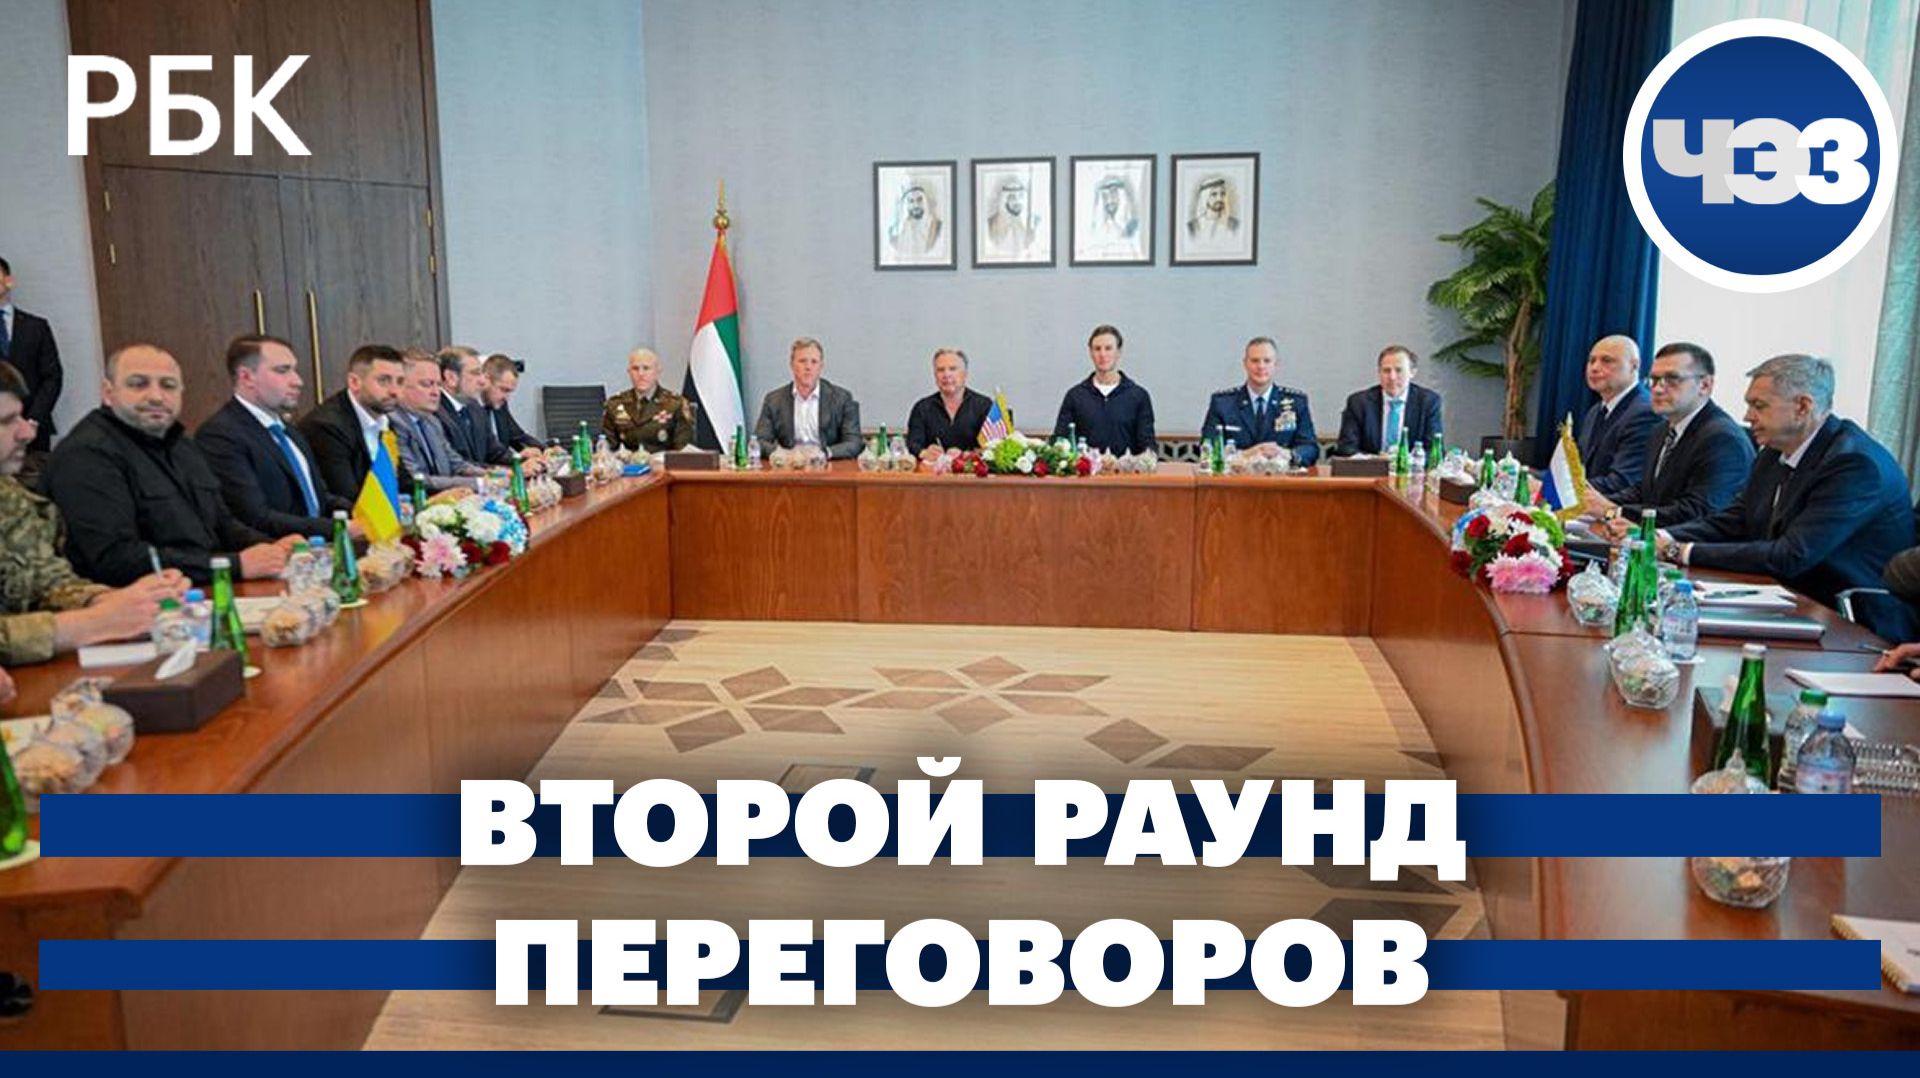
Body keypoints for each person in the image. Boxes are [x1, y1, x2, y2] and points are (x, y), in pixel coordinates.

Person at [1660, 354, 1917, 642]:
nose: (1747, 416)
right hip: (1789, 599)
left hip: (1855, 622)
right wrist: (1662, 537)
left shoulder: (1853, 464)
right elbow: (1737, 520)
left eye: (1759, 406)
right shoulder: (1773, 452)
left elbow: (1792, 555)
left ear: (1803, 407)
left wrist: (1680, 551)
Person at [41, 343, 295, 587]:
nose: (156, 396)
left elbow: (222, 524)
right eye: (138, 384)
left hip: (202, 590)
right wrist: (233, 565)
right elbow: (114, 559)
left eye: (168, 385)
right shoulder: (87, 455)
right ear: (108, 393)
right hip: (134, 604)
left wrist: (271, 548)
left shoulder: (181, 445)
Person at [0, 360, 185, 665]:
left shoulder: (9, 494)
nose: (26, 432)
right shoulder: (87, 453)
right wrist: (90, 624)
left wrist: (114, 601)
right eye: (7, 421)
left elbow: (49, 582)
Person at [1582, 342, 1753, 536]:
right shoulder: (1661, 430)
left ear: (1705, 385)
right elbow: (1644, 491)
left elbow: (1697, 512)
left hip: (1694, 548)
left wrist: (1613, 511)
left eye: (1672, 379)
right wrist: (1595, 503)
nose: (1657, 389)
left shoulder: (1722, 439)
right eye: (1654, 380)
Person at [196, 334, 354, 540]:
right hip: (274, 551)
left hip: (319, 550)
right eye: (282, 370)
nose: (298, 381)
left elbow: (317, 497)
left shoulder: (288, 431)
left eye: (294, 370)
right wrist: (339, 528)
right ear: (246, 377)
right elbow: (254, 517)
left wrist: (363, 513)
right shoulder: (221, 435)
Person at [300, 344, 409, 502]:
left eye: (400, 381)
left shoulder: (383, 419)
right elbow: (347, 495)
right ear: (354, 382)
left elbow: (403, 482)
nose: (394, 391)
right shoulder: (327, 427)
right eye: (384, 381)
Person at [1200, 337, 1318, 465]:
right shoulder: (1223, 404)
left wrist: (1285, 454)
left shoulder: (1295, 403)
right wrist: (1248, 454)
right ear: (1245, 364)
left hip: (1282, 475)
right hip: (1238, 475)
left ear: (1276, 364)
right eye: (1255, 361)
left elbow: (1310, 448)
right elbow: (1208, 449)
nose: (1261, 366)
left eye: (1267, 361)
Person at [1575, 335, 1659, 498]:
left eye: (1607, 360)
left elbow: (1623, 482)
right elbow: (1575, 469)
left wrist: (1555, 488)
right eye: (1591, 361)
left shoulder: (1646, 412)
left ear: (1634, 366)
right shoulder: (1595, 411)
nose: (1594, 368)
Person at [393, 351, 489, 492]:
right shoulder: (393, 423)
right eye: (427, 384)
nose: (435, 392)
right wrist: (479, 483)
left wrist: (494, 476)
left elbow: (457, 464)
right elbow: (416, 480)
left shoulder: (432, 421)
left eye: (438, 384)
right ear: (400, 386)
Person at [753, 338, 864, 459]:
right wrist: (784, 454)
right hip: (790, 465)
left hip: (828, 465)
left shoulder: (842, 399)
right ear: (792, 365)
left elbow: (854, 443)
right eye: (802, 361)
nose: (808, 367)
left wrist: (825, 453)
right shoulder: (774, 400)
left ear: (821, 366)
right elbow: (759, 441)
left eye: (814, 362)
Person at [1055, 325, 1156, 455]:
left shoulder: (1138, 396)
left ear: (1118, 352)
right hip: (1086, 467)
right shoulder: (1075, 396)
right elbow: (1061, 441)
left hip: (1126, 467)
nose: (1102, 354)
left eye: (1108, 348)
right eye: (1097, 349)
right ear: (1091, 353)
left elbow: (1147, 445)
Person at [0, 256, 63, 461]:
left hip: (34, 430)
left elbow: (52, 377)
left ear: (8, 280)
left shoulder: (36, 327)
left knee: (37, 478)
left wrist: (33, 420)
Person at [1332, 345, 1443, 456]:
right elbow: (1346, 447)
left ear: (1412, 372)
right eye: (1386, 371)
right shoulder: (1359, 403)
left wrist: (1405, 460)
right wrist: (1375, 460)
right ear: (1379, 372)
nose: (1392, 377)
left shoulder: (1428, 402)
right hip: (1370, 466)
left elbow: (1434, 449)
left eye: (1399, 370)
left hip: (1411, 466)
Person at [603, 347, 696, 452]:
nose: (641, 374)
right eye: (635, 369)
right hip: (626, 462)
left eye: (646, 368)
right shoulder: (615, 404)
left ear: (657, 372)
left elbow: (683, 450)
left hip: (663, 461)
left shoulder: (675, 404)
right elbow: (607, 448)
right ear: (629, 372)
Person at [906, 348, 992, 457]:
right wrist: (925, 453)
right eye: (940, 370)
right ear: (935, 376)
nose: (946, 375)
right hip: (933, 467)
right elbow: (913, 444)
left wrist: (965, 455)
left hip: (971, 466)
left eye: (952, 369)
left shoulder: (984, 405)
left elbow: (993, 447)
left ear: (965, 374)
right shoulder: (922, 408)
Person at [436, 345, 514, 467]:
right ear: (451, 378)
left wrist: (522, 462)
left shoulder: (475, 408)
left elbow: (495, 452)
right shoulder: (435, 413)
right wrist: (504, 471)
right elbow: (458, 465)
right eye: (475, 373)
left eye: (482, 373)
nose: (483, 381)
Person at [480, 353, 544, 456]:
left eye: (510, 392)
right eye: (503, 390)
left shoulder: (500, 405)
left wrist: (545, 450)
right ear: (486, 381)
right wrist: (517, 458)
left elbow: (517, 436)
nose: (507, 398)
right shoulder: (470, 411)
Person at [888, 183, 943, 258]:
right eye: (911, 201)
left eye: (919, 200)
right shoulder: (894, 232)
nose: (916, 205)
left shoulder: (937, 226)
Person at [1184, 176, 1240, 249]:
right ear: (1205, 198)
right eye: (1214, 194)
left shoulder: (1234, 225)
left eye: (1222, 194)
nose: (1219, 199)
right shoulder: (1193, 227)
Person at [985, 177, 1036, 255]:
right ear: (1000, 200)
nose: (1017, 202)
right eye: (1011, 197)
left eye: (1021, 196)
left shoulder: (1022, 226)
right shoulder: (989, 227)